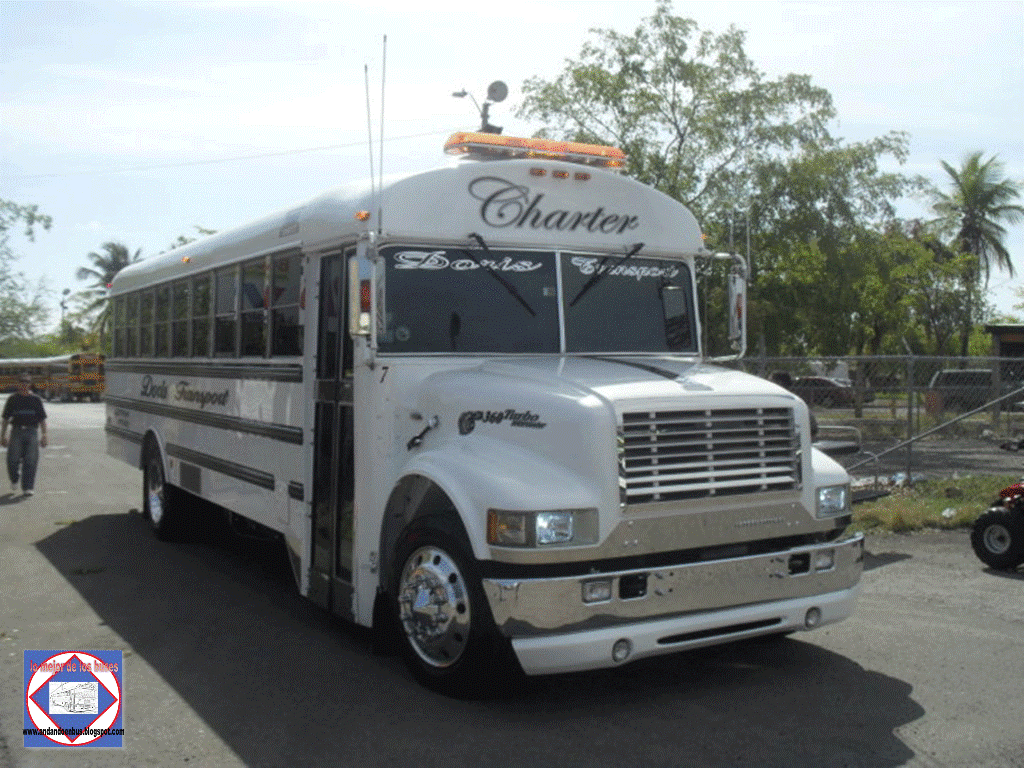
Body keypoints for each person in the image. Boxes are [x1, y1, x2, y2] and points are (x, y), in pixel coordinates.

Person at [1, 374, 48, 496]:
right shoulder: (13, 399)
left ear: (30, 384)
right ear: (18, 384)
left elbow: (42, 419)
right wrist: (3, 435)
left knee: (31, 460)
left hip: (32, 432)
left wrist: (44, 434)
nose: (24, 384)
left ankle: (28, 487)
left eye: (26, 382)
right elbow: (6, 419)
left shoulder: (36, 400)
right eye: (22, 382)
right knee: (12, 459)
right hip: (16, 431)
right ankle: (14, 478)